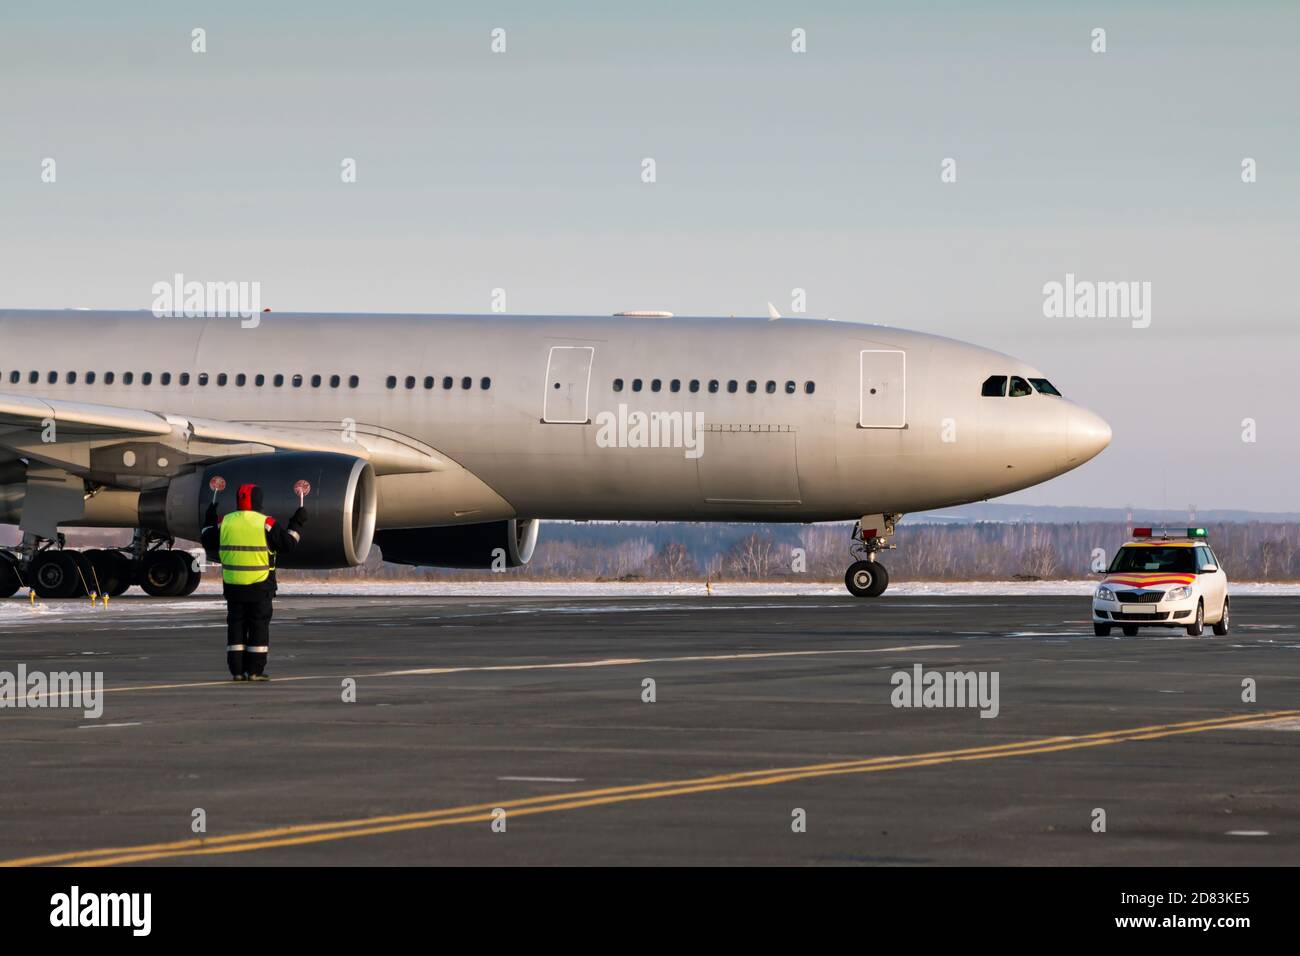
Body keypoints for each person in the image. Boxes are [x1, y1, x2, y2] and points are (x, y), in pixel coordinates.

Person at [200, 483, 308, 682]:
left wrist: (209, 518)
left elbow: (207, 540)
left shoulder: (225, 522)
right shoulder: (266, 523)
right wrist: (297, 522)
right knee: (258, 627)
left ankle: (237, 672)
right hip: (260, 586)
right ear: (259, 501)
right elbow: (288, 544)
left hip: (233, 587)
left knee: (236, 627)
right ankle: (255, 671)